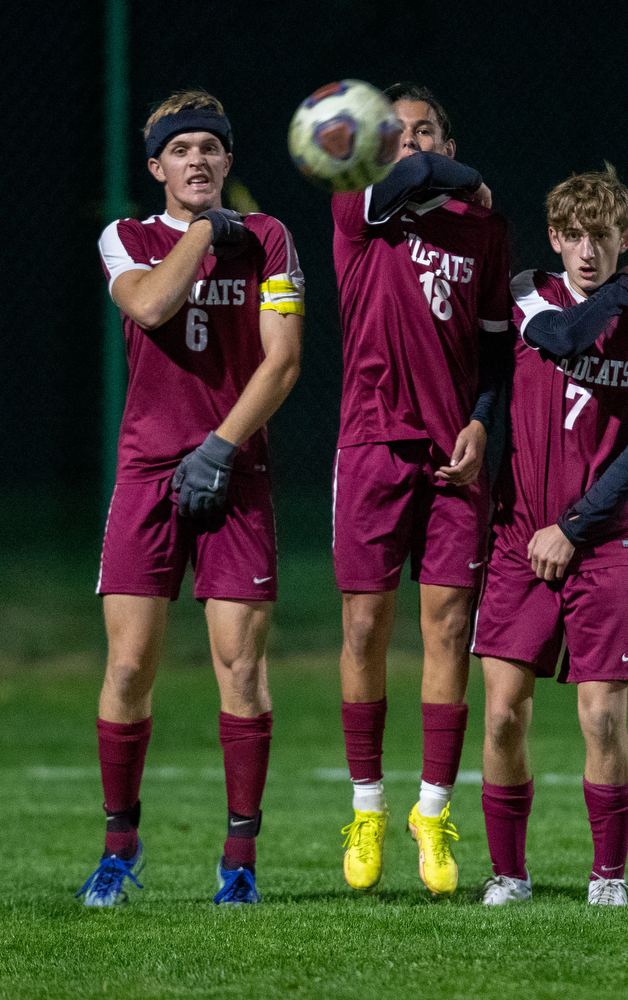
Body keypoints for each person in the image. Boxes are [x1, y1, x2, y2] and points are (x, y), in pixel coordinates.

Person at [76, 90, 304, 907]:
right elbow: (150, 304)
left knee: (241, 671)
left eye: (212, 147)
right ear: (156, 166)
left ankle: (239, 861)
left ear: (229, 159)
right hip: (146, 476)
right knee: (130, 664)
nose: (198, 160)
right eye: (182, 150)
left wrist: (219, 446)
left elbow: (282, 363)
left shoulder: (271, 238)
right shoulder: (127, 238)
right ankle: (119, 846)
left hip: (233, 473)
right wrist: (207, 231)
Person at [472, 164, 628, 906]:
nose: (588, 251)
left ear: (624, 238)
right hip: (518, 536)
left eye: (604, 238)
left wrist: (574, 525)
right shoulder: (531, 291)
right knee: (501, 715)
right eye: (575, 237)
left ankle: (607, 877)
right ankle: (510, 874)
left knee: (600, 715)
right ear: (556, 239)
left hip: (603, 539)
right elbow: (566, 335)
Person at [331, 83, 511, 895]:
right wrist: (454, 166)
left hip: (454, 458)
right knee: (367, 626)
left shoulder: (481, 230)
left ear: (445, 133)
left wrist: (480, 422)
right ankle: (367, 804)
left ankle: (431, 813)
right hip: (372, 446)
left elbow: (496, 353)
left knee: (447, 630)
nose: (411, 145)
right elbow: (411, 179)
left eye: (426, 131)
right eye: (396, 135)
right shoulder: (356, 210)